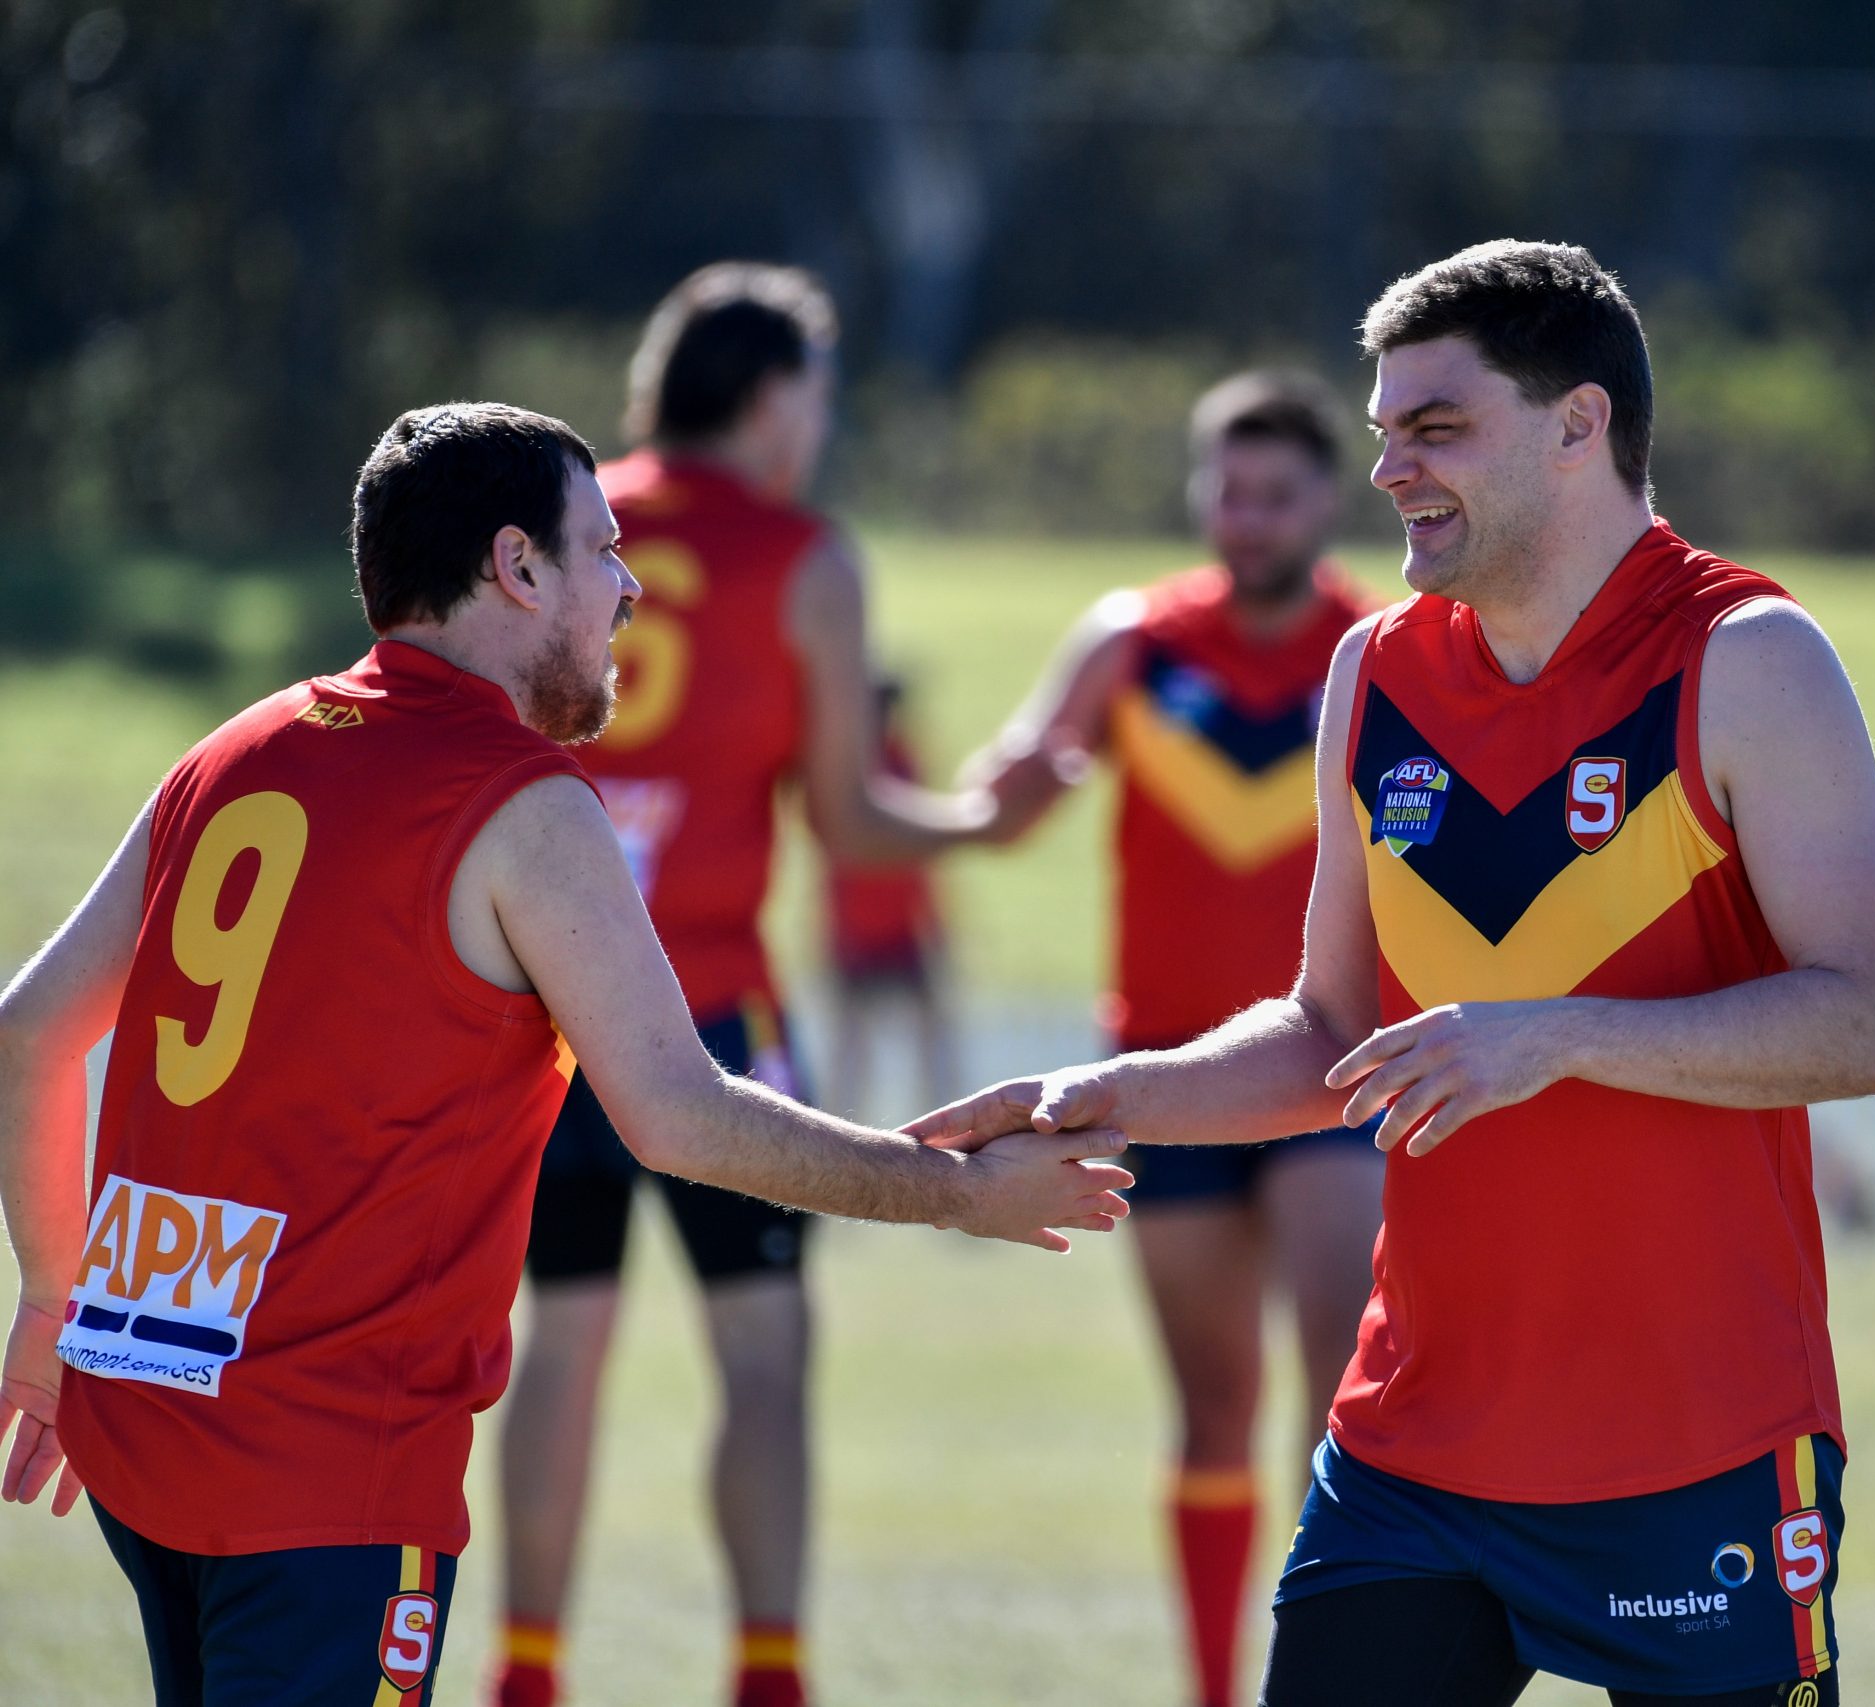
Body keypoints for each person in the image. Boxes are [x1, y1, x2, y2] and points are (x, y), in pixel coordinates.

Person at [910, 241, 1875, 1707]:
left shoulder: (1748, 655)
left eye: (1436, 428)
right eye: (1384, 431)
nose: (1389, 469)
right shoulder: (1375, 674)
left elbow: (1869, 1019)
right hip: (1411, 1456)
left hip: (1697, 1444)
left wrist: (1556, 1035)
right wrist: (1109, 1089)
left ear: (1580, 425)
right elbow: (1330, 1030)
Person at [0, 401, 1130, 1707]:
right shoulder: (524, 803)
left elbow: (28, 1031)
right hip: (323, 1469)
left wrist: (50, 1302)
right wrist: (956, 1190)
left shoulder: (230, 750)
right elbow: (679, 1115)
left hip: (143, 1413)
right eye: (600, 548)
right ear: (516, 566)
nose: (630, 587)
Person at [490, 265, 1048, 1707]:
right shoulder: (807, 555)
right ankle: (770, 1669)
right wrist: (989, 815)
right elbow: (853, 820)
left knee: (562, 1329)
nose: (825, 416)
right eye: (818, 387)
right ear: (769, 396)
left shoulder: (561, 521)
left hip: (532, 1015)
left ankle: (528, 1668)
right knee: (766, 1347)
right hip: (712, 1015)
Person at [962, 371, 1385, 1707]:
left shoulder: (1383, 647)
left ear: (1329, 497)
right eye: (1226, 488)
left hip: (1334, 1069)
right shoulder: (1133, 639)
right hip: (1167, 1078)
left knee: (1345, 1398)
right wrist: (1008, 788)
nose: (1246, 517)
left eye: (1275, 492)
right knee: (1213, 1402)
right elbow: (1012, 786)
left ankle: (1335, 1675)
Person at [820, 677, 958, 1124]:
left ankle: (943, 1118)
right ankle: (842, 1123)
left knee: (931, 1034)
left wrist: (935, 922)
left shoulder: (897, 761)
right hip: (859, 928)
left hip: (900, 926)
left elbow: (922, 858)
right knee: (854, 1043)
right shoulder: (854, 768)